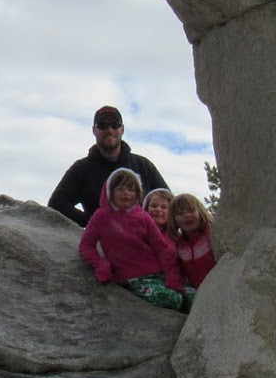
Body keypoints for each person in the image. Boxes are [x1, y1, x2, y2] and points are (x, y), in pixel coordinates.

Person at [79, 168, 187, 311]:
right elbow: (86, 245)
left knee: (193, 297)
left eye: (131, 189)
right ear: (110, 191)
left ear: (138, 193)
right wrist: (100, 264)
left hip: (157, 273)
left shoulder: (143, 217)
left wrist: (173, 278)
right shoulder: (101, 216)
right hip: (132, 280)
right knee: (174, 300)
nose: (126, 193)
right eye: (120, 188)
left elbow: (162, 249)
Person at [48, 106, 169, 227]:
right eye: (102, 125)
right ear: (94, 130)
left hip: (145, 241)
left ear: (122, 129)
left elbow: (170, 202)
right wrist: (94, 223)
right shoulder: (81, 169)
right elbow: (57, 204)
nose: (110, 130)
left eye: (115, 125)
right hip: (103, 243)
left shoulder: (143, 165)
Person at [168, 192, 217, 290]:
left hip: (218, 288)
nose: (187, 215)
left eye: (191, 211)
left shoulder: (212, 234)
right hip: (197, 292)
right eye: (180, 213)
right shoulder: (179, 246)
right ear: (174, 219)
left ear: (200, 211)